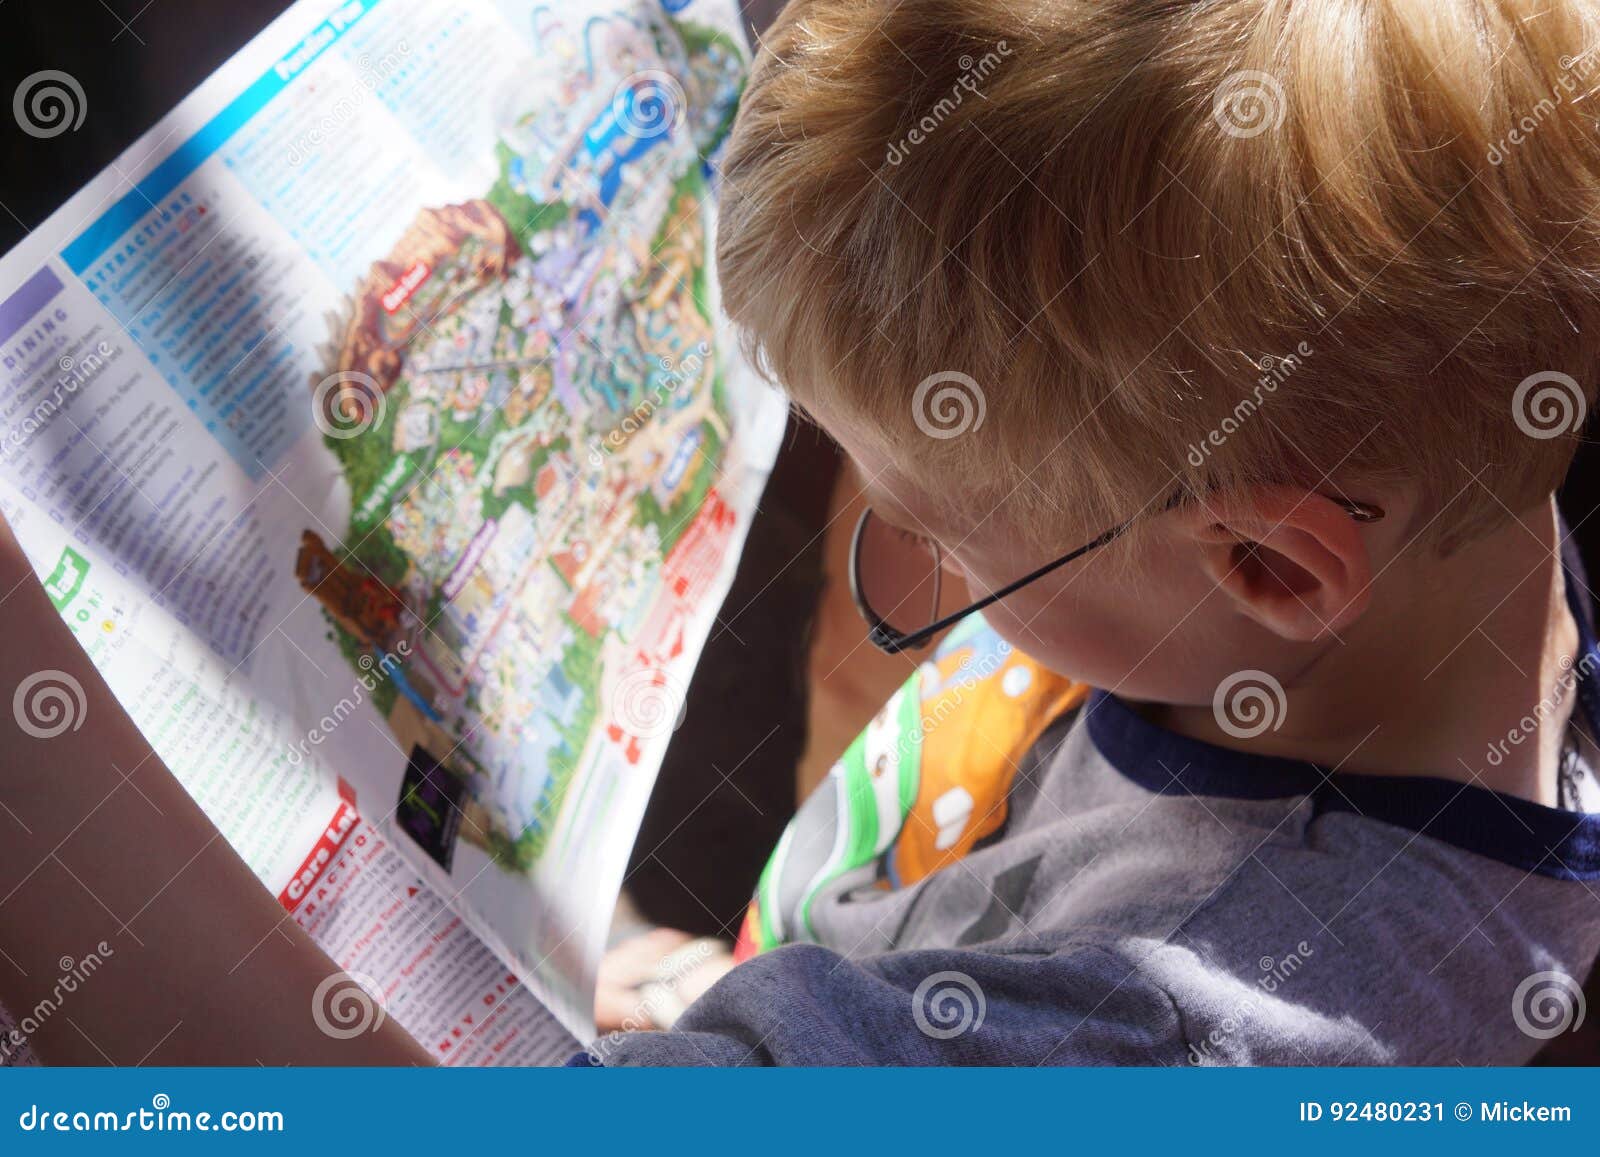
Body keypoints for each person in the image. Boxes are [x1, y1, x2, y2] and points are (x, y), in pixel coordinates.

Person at [5, 0, 1600, 1064]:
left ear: (1271, 563)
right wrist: (728, 1005)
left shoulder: (1168, 1034)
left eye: (945, 541)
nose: (916, 587)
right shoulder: (1454, 517)